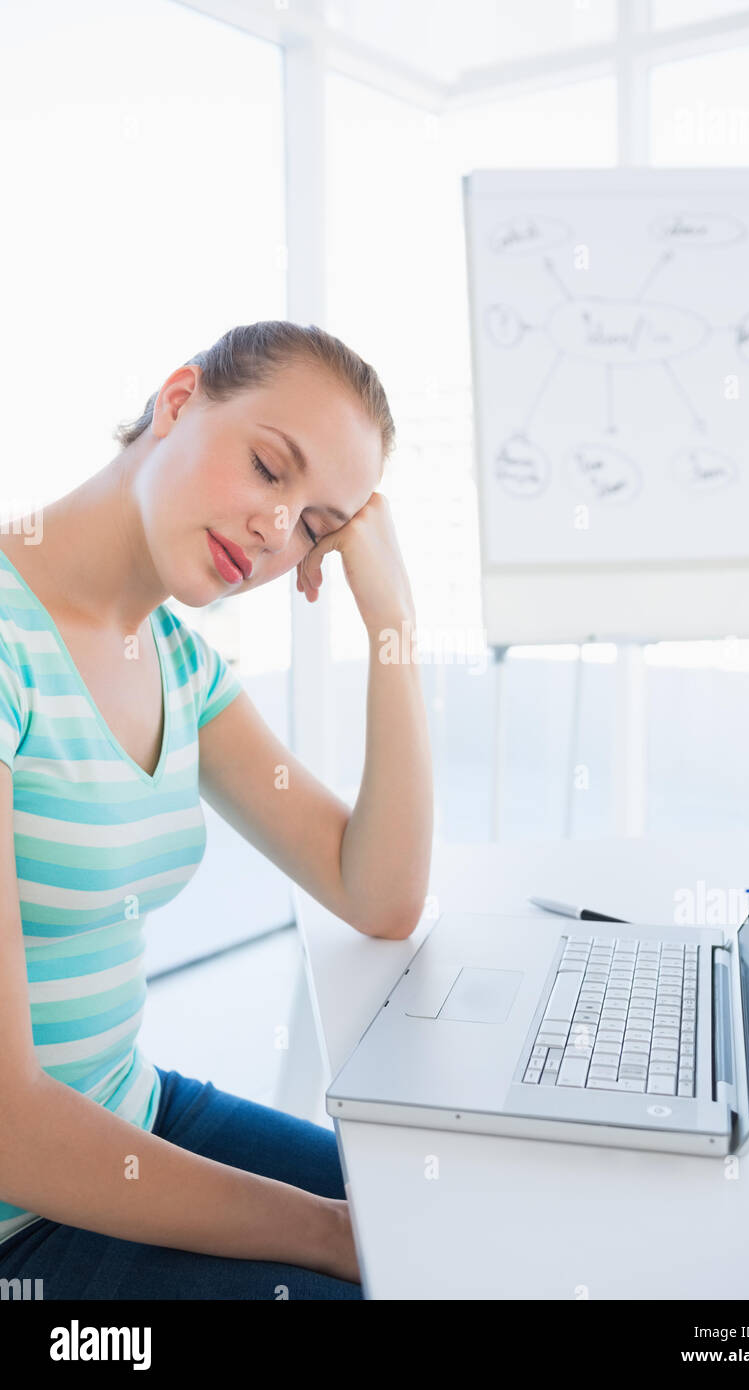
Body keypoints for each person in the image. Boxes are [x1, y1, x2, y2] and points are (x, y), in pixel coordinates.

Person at [0, 320, 434, 1299]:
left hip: (131, 1114)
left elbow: (378, 893)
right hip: (21, 1218)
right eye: (268, 468)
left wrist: (393, 626)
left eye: (319, 525)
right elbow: (10, 1131)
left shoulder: (176, 660)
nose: (279, 531)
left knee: (443, 1227)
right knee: (374, 1273)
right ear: (179, 400)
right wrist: (326, 1233)